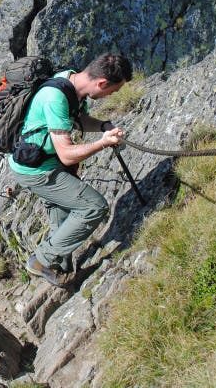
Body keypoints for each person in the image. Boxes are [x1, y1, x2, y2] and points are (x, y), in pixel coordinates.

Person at [9, 53, 132, 287]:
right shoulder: (55, 97)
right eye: (112, 91)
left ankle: (62, 273)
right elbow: (66, 154)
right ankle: (42, 260)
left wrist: (103, 126)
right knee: (93, 206)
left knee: (63, 217)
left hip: (42, 160)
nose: (111, 96)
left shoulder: (70, 82)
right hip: (37, 170)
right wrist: (103, 142)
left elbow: (77, 118)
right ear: (102, 83)